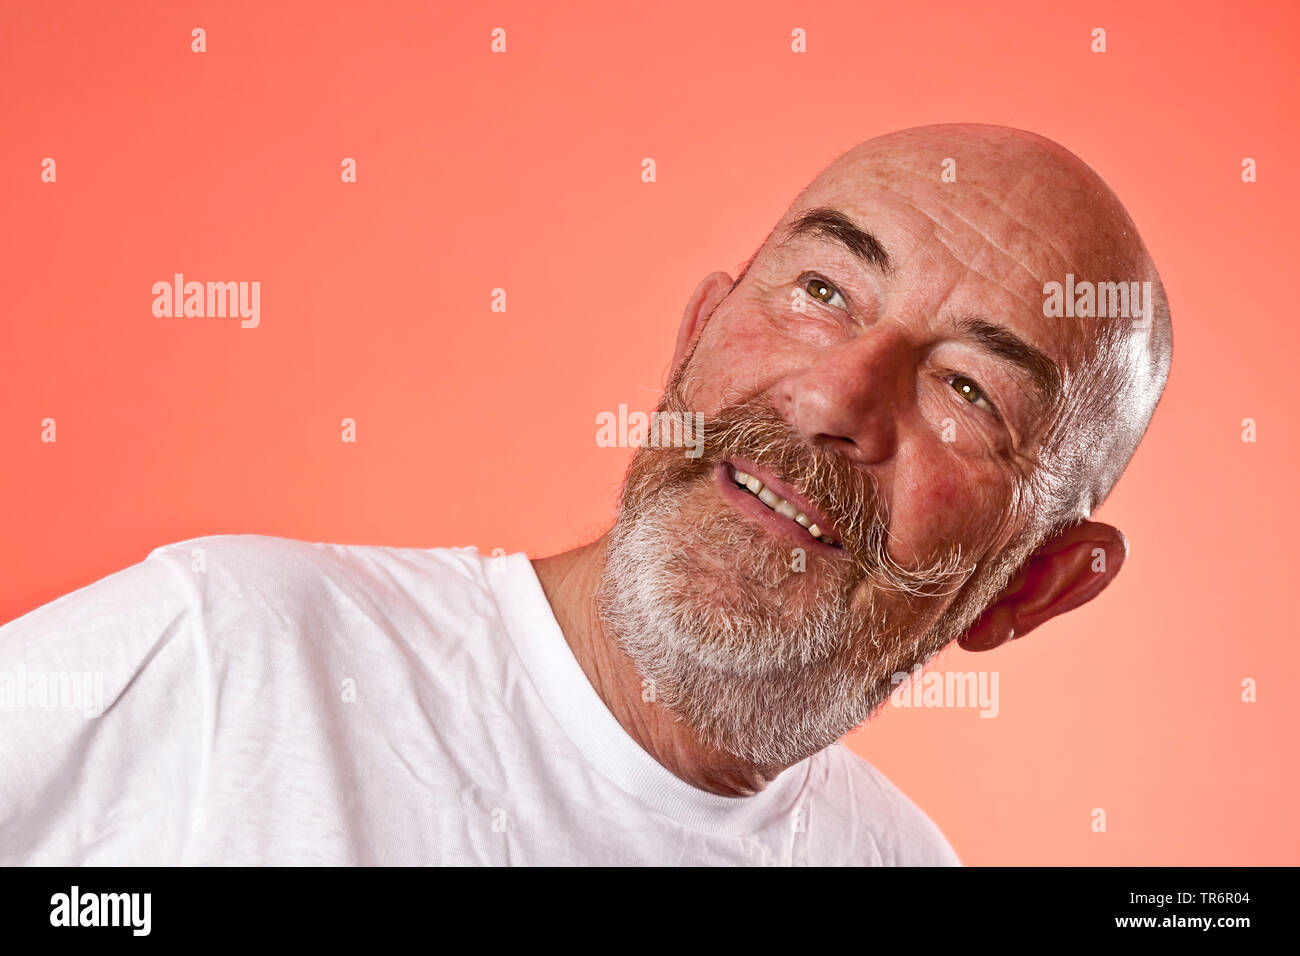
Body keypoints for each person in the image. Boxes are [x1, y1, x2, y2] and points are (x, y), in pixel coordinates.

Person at [0, 123, 1172, 865]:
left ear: (1031, 584)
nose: (834, 399)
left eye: (967, 388)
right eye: (822, 288)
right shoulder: (235, 652)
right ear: (696, 336)